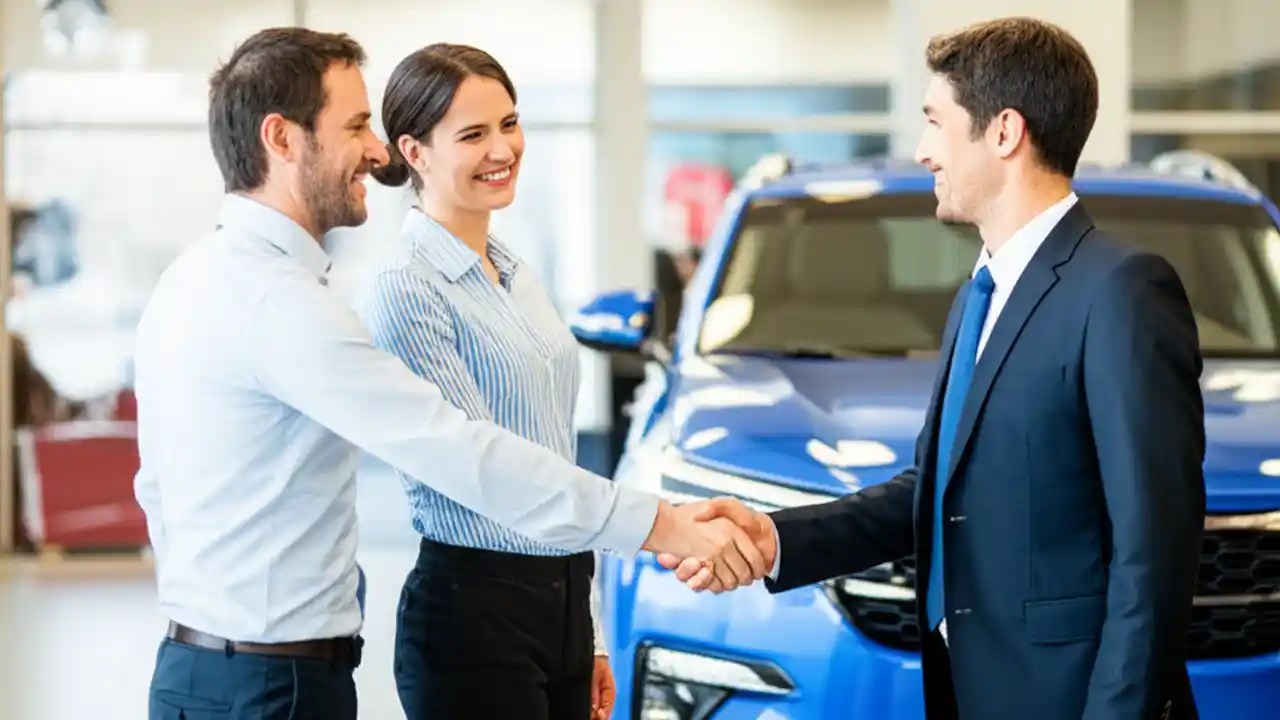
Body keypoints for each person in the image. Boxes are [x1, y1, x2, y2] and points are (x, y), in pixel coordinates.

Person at [132, 27, 767, 720]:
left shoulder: (194, 280)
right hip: (272, 683)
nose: (376, 151)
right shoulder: (287, 306)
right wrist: (663, 525)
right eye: (355, 126)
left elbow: (156, 487)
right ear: (282, 140)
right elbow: (463, 454)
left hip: (210, 666)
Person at [669, 16, 1206, 720]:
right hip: (971, 688)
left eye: (935, 123)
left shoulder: (1120, 289)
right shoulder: (981, 295)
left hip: (1068, 699)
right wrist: (777, 538)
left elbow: (1153, 545)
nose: (924, 152)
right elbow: (935, 490)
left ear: (1005, 132)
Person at [351, 43, 617, 720]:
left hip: (561, 596)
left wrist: (590, 631)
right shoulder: (406, 286)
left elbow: (555, 451)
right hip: (475, 612)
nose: (503, 148)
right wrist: (647, 524)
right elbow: (480, 467)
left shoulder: (513, 270)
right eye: (473, 134)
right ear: (414, 152)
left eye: (509, 123)